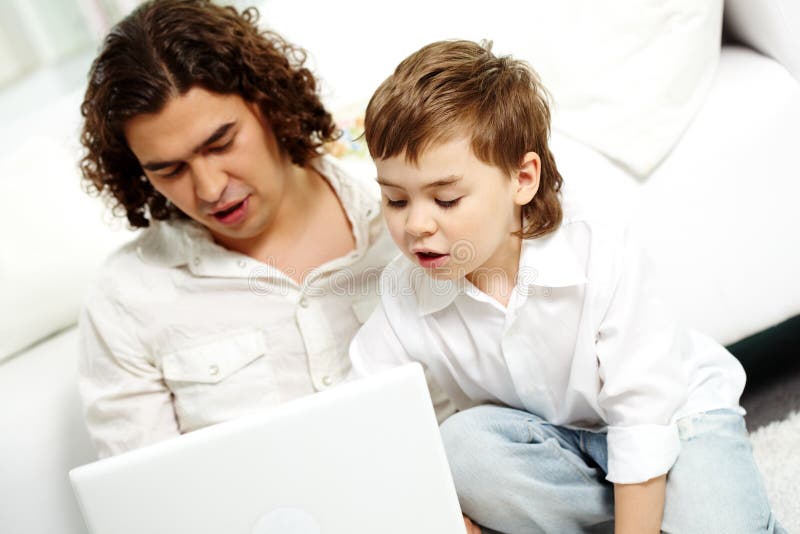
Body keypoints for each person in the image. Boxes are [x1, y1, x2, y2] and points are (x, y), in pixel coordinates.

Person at [349, 40, 784, 533]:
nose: (416, 225)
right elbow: (367, 412)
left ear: (522, 179)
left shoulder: (597, 250)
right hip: (558, 443)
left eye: (446, 200)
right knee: (463, 447)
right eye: (396, 200)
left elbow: (643, 417)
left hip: (677, 421)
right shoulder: (404, 291)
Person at [76, 0, 403, 458]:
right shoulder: (126, 299)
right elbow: (144, 491)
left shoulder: (405, 209)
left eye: (221, 144)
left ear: (267, 102)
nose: (209, 189)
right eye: (170, 170)